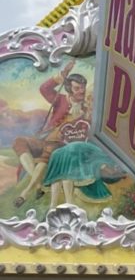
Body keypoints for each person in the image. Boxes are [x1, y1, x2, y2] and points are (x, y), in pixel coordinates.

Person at [13, 60, 89, 203]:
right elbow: (44, 89)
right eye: (78, 88)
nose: (82, 91)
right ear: (69, 89)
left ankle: (28, 190)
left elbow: (84, 133)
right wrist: (63, 74)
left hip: (62, 145)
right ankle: (39, 185)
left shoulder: (87, 108)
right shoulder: (60, 99)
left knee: (50, 151)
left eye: (83, 87)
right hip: (45, 138)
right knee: (19, 141)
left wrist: (79, 117)